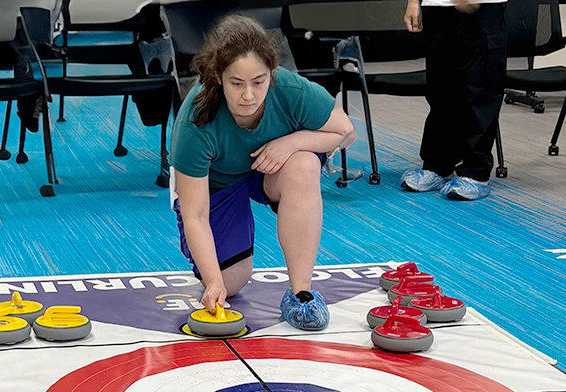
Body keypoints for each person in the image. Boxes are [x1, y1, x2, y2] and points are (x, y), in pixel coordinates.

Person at [169, 15, 356, 330]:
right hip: (217, 184)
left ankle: (301, 294)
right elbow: (196, 214)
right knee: (229, 284)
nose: (249, 96)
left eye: (259, 82)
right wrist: (213, 281)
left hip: (267, 168)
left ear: (272, 74)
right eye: (236, 83)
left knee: (305, 163)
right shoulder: (194, 122)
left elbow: (346, 132)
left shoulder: (289, 88)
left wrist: (292, 142)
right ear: (217, 76)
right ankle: (221, 273)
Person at [401, 0, 507, 201]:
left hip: (480, 7)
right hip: (437, 7)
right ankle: (438, 166)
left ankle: (475, 172)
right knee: (441, 91)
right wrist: (414, 1)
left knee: (479, 91)